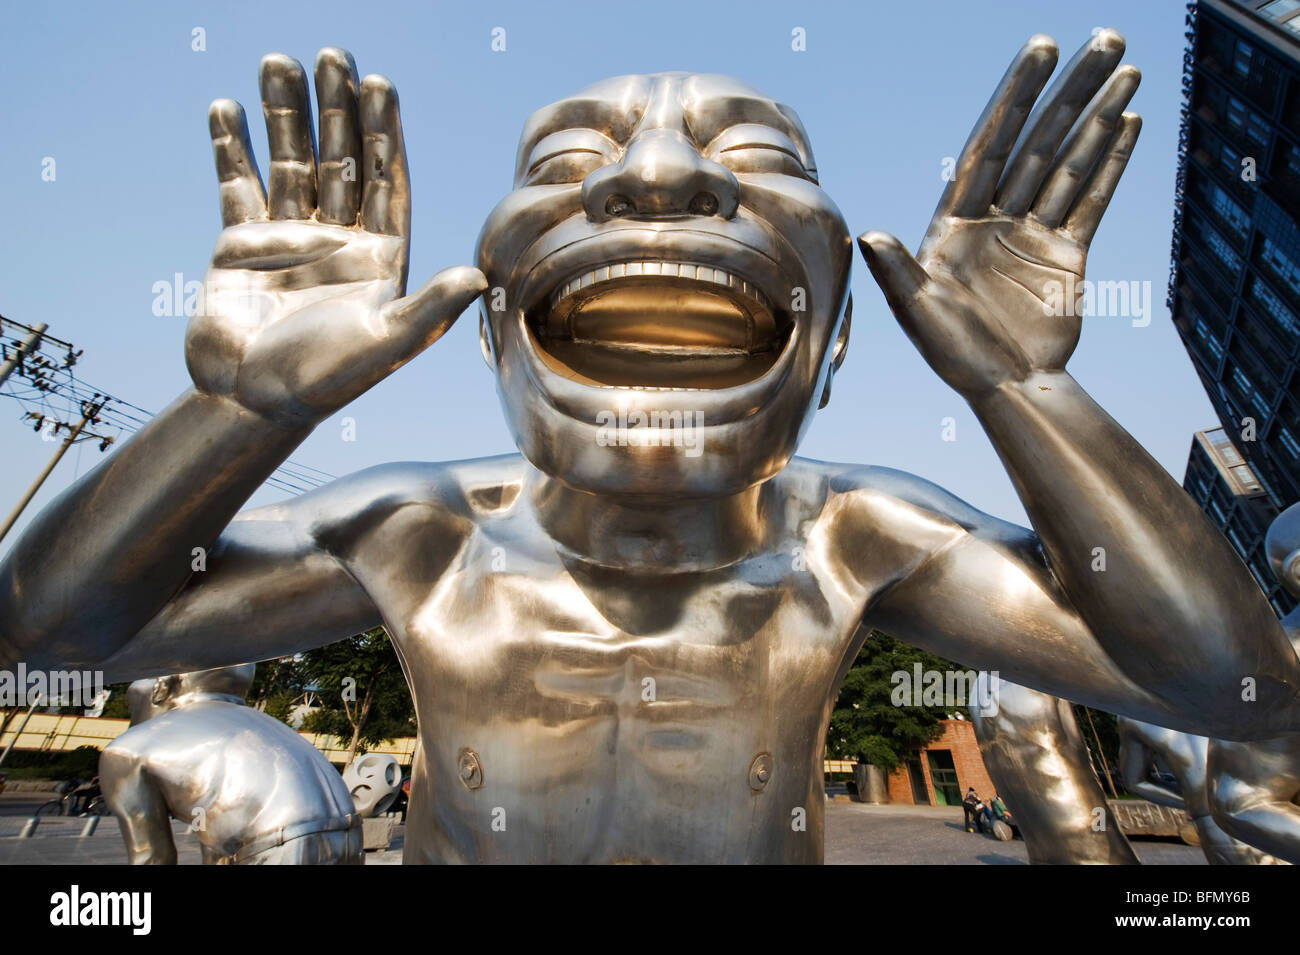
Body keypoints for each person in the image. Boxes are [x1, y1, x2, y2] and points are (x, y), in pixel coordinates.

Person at [4, 30, 1300, 864]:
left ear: (833, 343)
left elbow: (1225, 694)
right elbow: (62, 627)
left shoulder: (858, 540)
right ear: (489, 329)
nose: (662, 179)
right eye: (572, 157)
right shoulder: (418, 534)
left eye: (754, 156)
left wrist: (1027, 390)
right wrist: (241, 412)